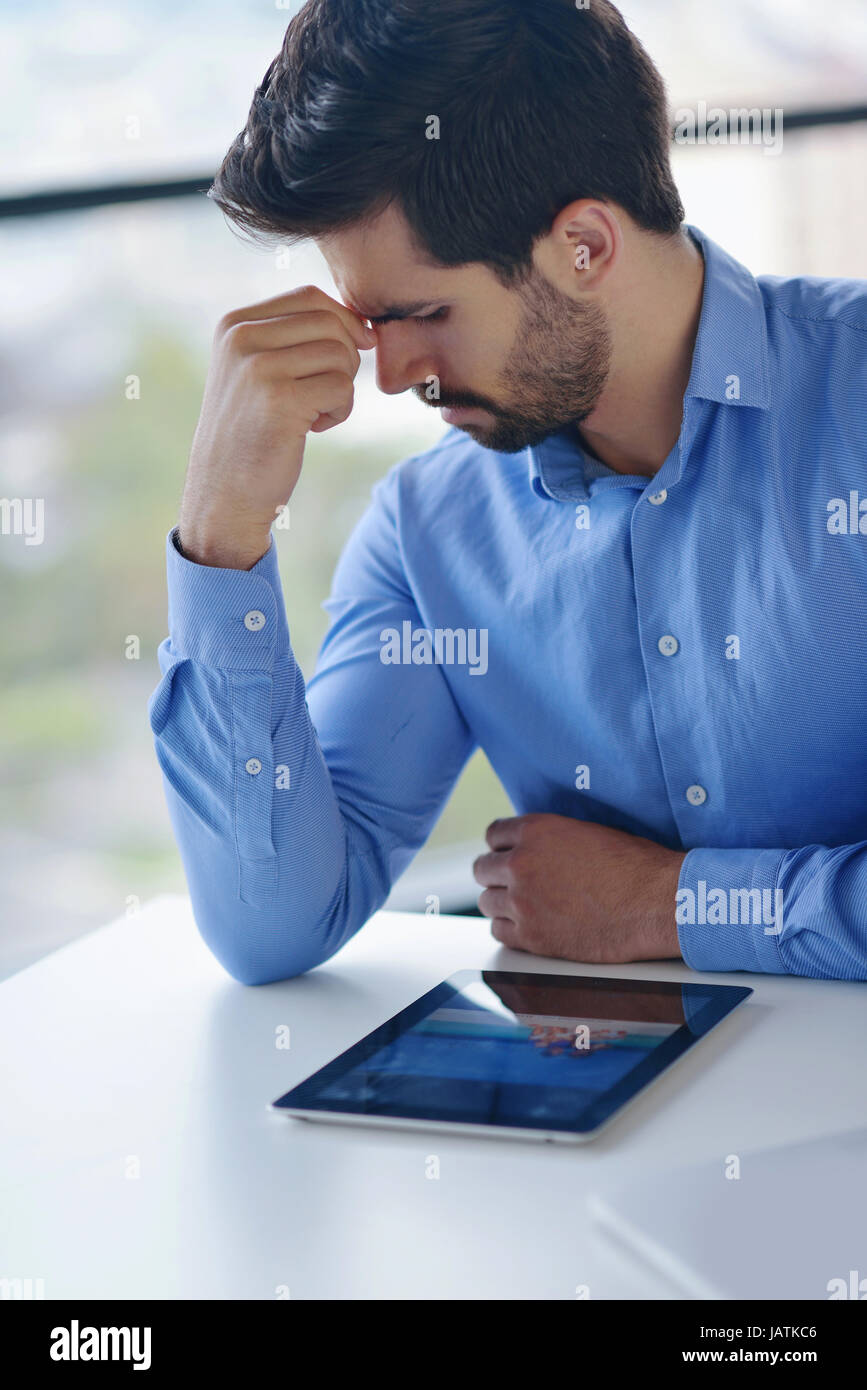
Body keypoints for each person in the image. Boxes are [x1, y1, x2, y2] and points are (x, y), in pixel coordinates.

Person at [149, 0, 867, 984]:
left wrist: (665, 902)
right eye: (370, 324)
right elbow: (273, 926)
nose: (392, 374)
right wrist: (220, 531)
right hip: (626, 1135)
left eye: (425, 313)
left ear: (587, 245)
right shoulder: (426, 534)